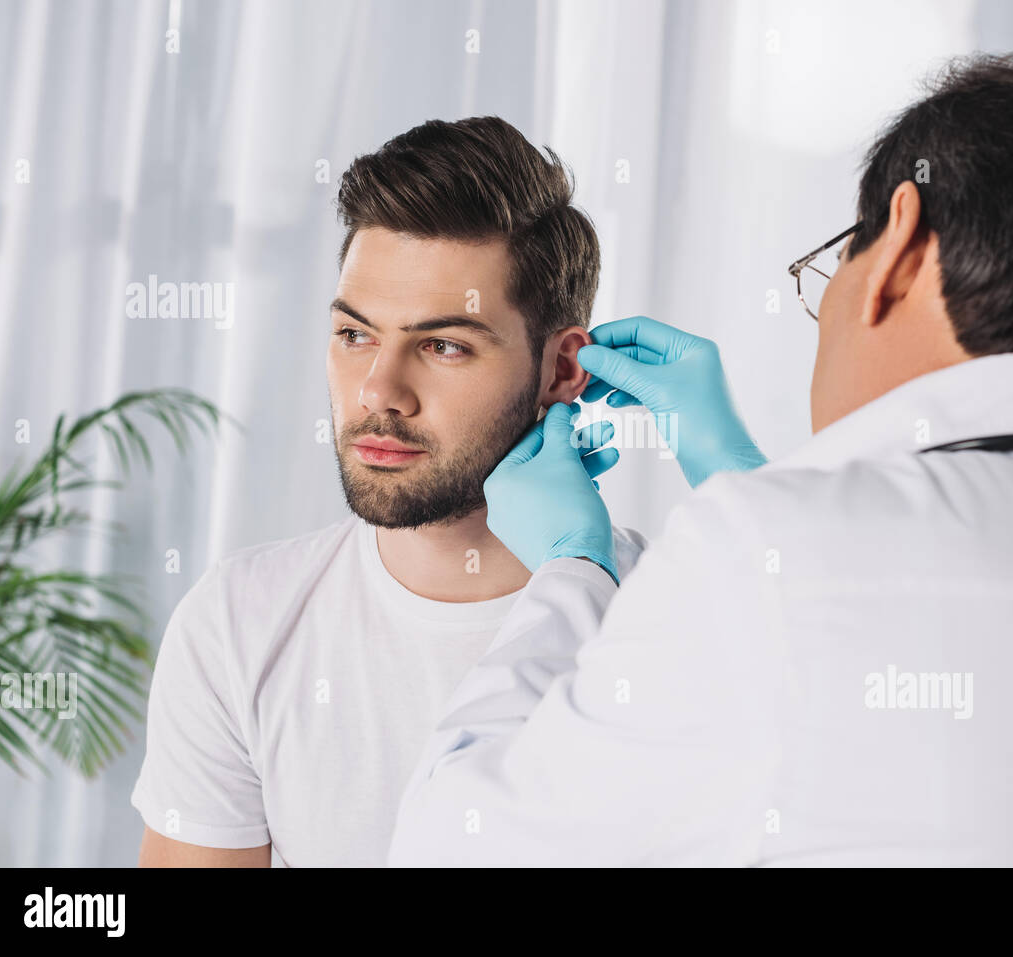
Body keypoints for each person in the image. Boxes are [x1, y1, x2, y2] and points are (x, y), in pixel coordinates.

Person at [387, 54, 1013, 866]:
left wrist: (572, 571)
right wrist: (746, 488)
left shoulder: (766, 562)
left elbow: (453, 846)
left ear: (899, 243)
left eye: (829, 268)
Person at [131, 117, 645, 866]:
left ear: (564, 368)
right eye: (355, 335)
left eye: (443, 345)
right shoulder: (239, 625)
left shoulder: (670, 618)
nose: (378, 391)